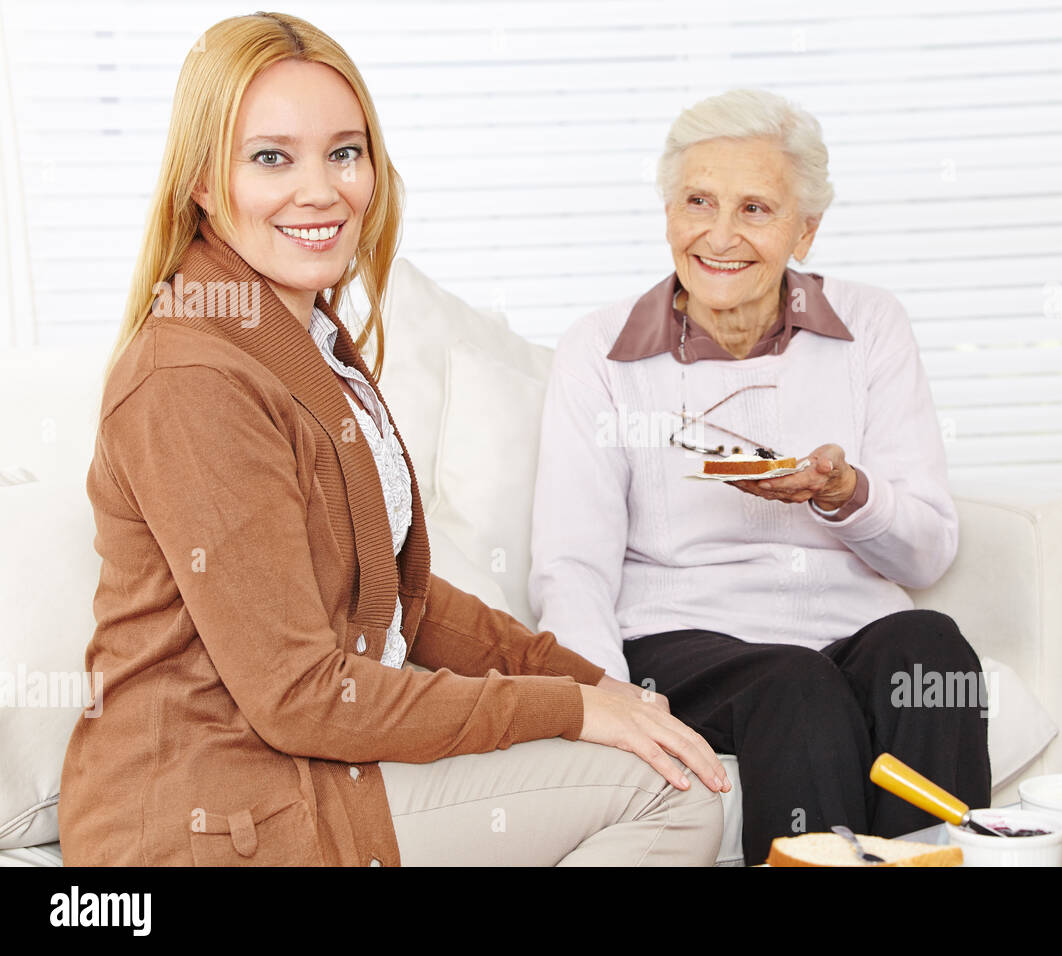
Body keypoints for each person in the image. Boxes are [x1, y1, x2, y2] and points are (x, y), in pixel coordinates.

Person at [60, 11, 726, 867]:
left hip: (306, 769)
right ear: (198, 180)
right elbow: (299, 694)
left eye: (344, 152)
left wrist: (601, 689)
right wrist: (571, 712)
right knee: (669, 797)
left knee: (668, 758)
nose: (321, 189)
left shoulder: (306, 342)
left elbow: (408, 601)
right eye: (272, 157)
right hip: (218, 815)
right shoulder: (195, 379)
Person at [529, 88, 991, 866]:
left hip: (848, 631)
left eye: (755, 209)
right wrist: (606, 704)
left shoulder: (871, 325)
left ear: (805, 229)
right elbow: (572, 565)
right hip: (684, 644)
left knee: (931, 649)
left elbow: (928, 552)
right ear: (668, 212)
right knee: (797, 685)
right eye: (697, 202)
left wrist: (848, 497)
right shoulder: (600, 351)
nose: (719, 235)